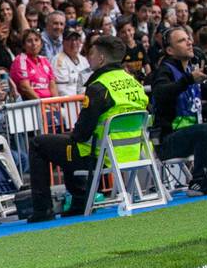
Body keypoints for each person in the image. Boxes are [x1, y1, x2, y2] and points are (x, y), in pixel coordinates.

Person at [27, 35, 149, 223]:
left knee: (39, 143)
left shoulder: (99, 87)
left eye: (91, 53)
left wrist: (71, 135)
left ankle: (43, 210)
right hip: (132, 152)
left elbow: (81, 134)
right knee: (65, 140)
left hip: (101, 156)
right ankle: (79, 202)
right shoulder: (134, 83)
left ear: (101, 58)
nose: (88, 58)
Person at [149, 26, 207, 196]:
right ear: (169, 50)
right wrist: (189, 80)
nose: (189, 42)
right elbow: (160, 93)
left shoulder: (191, 69)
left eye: (188, 38)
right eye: (182, 40)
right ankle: (197, 181)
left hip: (193, 135)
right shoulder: (165, 70)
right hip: (168, 140)